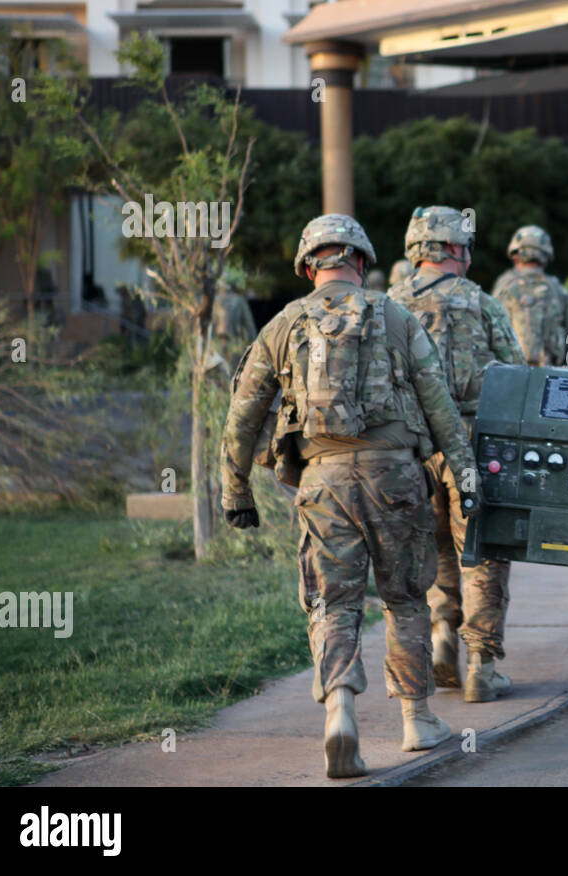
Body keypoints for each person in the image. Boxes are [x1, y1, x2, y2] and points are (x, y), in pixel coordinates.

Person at [219, 213, 478, 778]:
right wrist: (465, 475)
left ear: (309, 266)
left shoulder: (284, 323)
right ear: (360, 261)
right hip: (396, 477)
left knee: (332, 602)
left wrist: (235, 490)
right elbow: (439, 404)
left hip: (322, 481)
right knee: (406, 597)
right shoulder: (397, 315)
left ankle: (340, 711)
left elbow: (243, 414)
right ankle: (416, 719)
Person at [389, 206, 527, 703]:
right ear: (451, 248)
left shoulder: (388, 305)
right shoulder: (482, 303)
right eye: (465, 246)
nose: (469, 256)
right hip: (476, 441)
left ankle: (443, 637)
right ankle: (482, 668)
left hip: (412, 448)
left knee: (432, 547)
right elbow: (517, 376)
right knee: (483, 552)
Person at [491, 224, 568, 367]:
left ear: (515, 255)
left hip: (510, 372)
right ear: (546, 256)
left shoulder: (504, 286)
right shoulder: (558, 290)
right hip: (549, 374)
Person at [211, 266, 258, 376]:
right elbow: (249, 327)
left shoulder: (214, 301)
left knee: (218, 377)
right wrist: (254, 348)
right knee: (234, 376)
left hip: (216, 344)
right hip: (235, 345)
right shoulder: (239, 301)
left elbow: (209, 325)